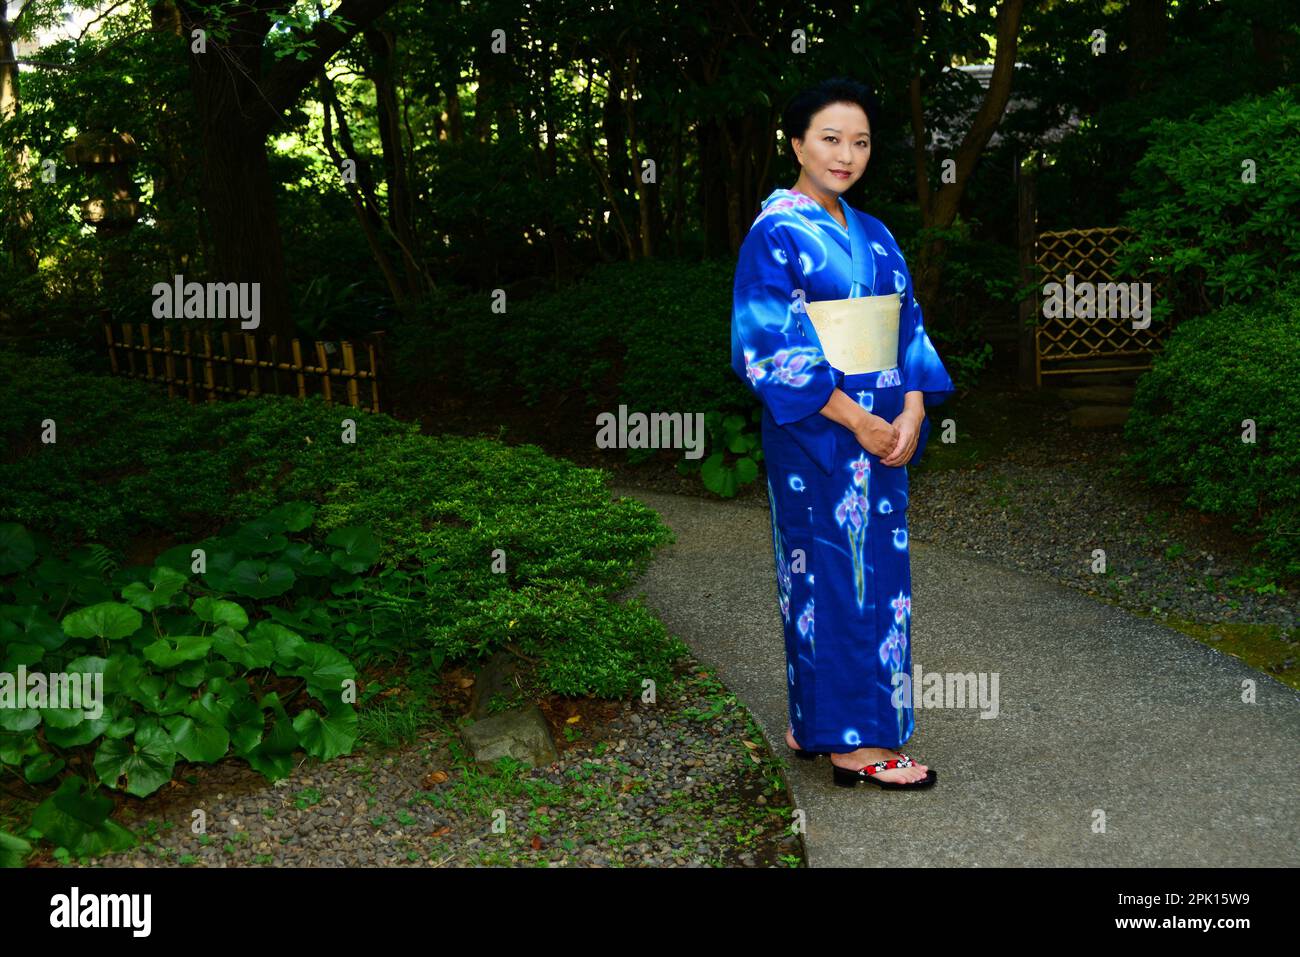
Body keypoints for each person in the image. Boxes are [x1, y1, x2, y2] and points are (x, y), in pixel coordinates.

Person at [729, 77, 955, 789]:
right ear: (796, 143)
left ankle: (815, 721)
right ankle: (855, 744)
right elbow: (768, 348)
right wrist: (858, 418)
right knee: (829, 577)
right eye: (830, 138)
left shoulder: (878, 234)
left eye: (859, 142)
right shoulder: (775, 233)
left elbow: (907, 326)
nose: (845, 154)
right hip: (818, 432)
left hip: (886, 431)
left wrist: (912, 410)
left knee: (876, 579)